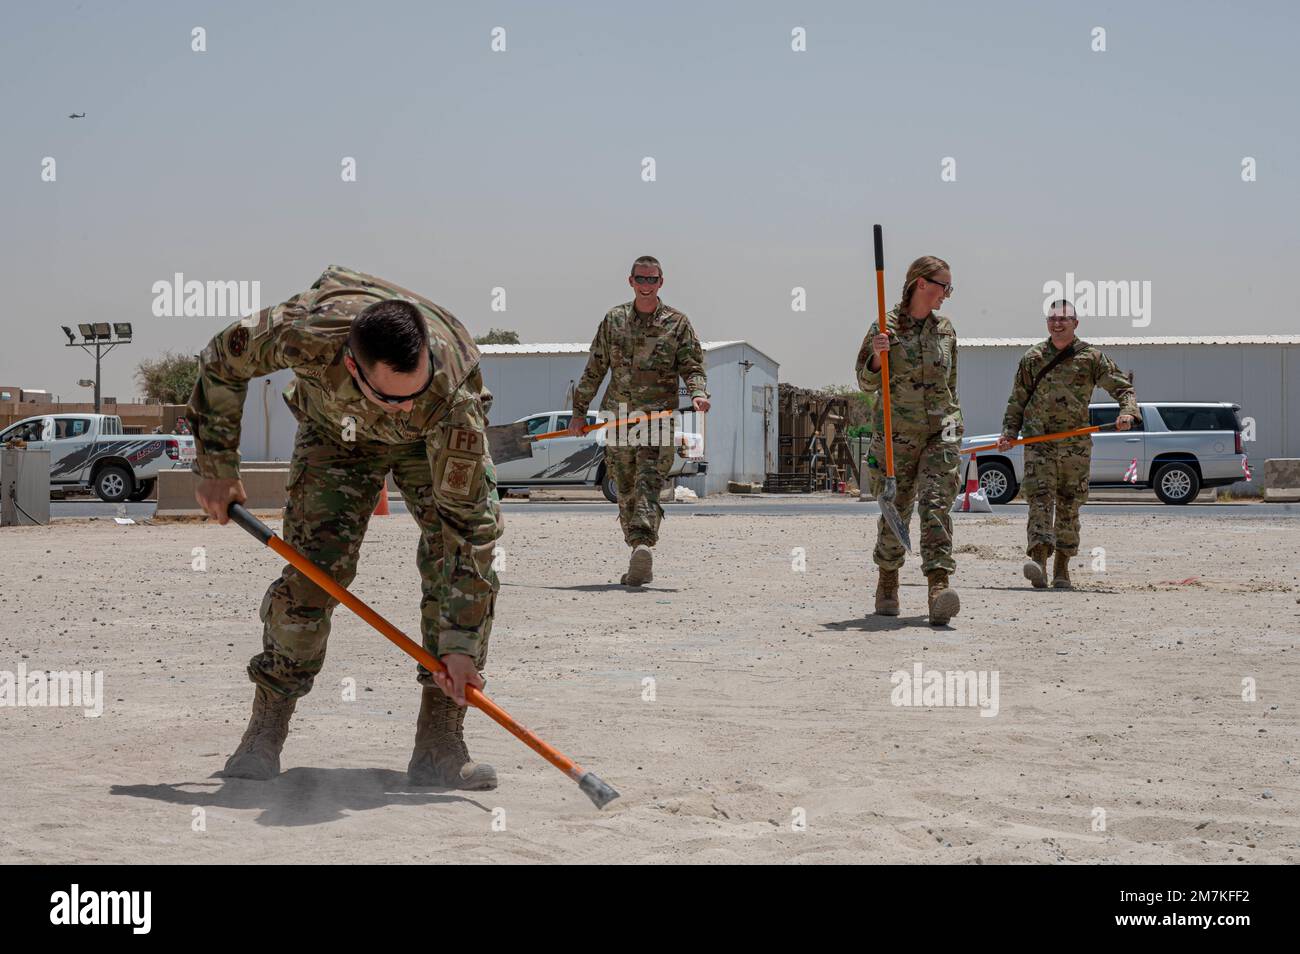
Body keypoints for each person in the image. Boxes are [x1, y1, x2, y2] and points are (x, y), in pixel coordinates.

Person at [187, 265, 502, 789]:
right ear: (351, 366)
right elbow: (221, 360)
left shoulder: (450, 397)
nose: (405, 404)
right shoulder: (303, 332)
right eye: (393, 397)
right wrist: (217, 466)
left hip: (430, 443)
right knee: (311, 575)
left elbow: (469, 532)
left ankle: (441, 739)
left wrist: (461, 645)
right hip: (336, 434)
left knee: (454, 566)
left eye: (413, 392)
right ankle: (266, 728)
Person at [566, 255, 710, 585]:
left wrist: (699, 393)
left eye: (652, 279)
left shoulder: (677, 323)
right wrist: (578, 412)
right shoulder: (614, 320)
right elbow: (595, 368)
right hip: (618, 419)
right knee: (626, 488)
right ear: (631, 281)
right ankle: (636, 551)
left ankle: (643, 542)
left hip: (657, 420)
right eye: (640, 279)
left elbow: (692, 366)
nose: (646, 285)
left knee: (648, 483)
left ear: (661, 283)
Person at [998, 299, 1139, 588]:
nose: (1057, 323)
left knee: (1068, 503)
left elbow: (1123, 387)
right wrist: (1009, 433)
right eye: (1052, 318)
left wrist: (1127, 412)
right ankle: (1038, 561)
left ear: (1076, 323)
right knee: (1039, 500)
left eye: (1064, 318)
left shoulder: (1090, 358)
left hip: (1074, 445)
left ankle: (1062, 566)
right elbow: (1018, 399)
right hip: (1039, 442)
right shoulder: (1033, 358)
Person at [855, 256, 963, 624]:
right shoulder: (883, 326)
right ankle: (888, 580)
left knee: (936, 506)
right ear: (921, 283)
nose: (947, 294)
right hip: (896, 434)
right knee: (896, 508)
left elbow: (952, 387)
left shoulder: (946, 330)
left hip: (940, 433)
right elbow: (865, 383)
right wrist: (877, 358)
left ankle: (938, 586)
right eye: (944, 286)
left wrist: (953, 428)